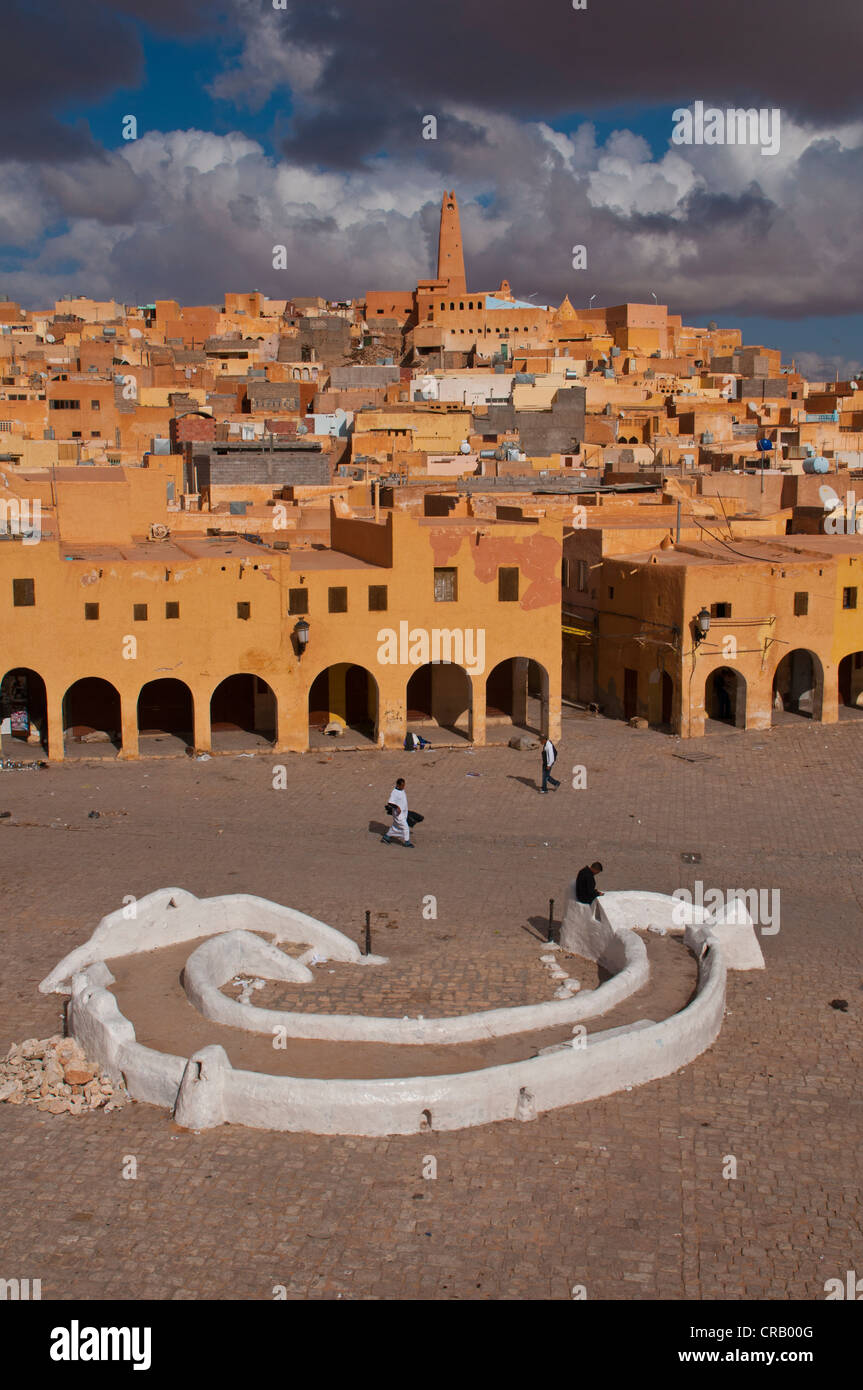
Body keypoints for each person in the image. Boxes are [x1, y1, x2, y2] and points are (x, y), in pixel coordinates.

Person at [382, 776, 415, 847]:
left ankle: (386, 837)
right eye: (402, 785)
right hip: (398, 814)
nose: (403, 787)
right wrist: (397, 807)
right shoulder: (394, 792)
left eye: (404, 785)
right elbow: (390, 803)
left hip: (403, 813)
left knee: (395, 826)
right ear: (398, 785)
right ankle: (407, 842)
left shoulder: (401, 790)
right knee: (405, 827)